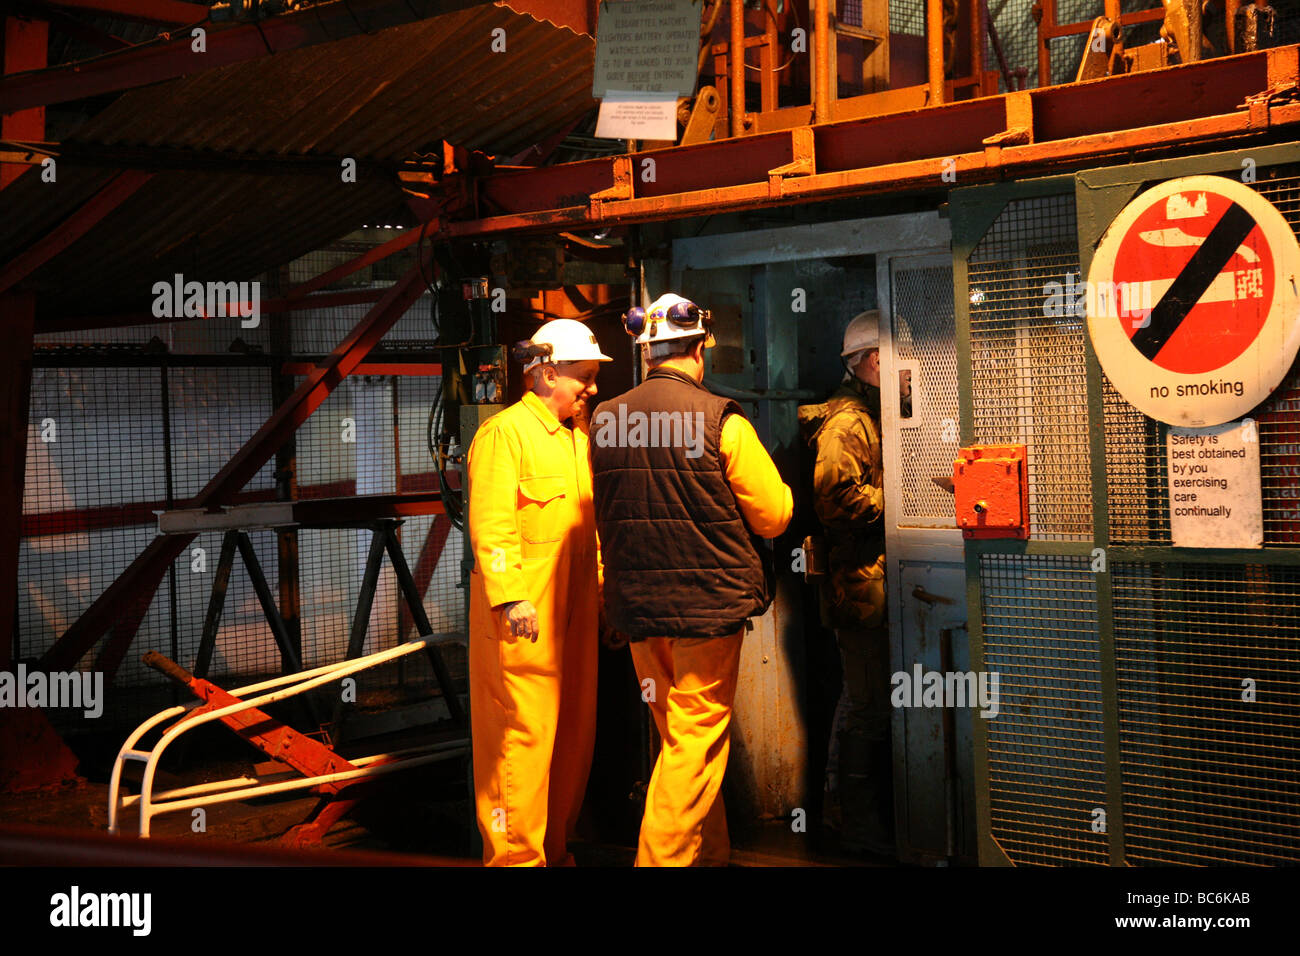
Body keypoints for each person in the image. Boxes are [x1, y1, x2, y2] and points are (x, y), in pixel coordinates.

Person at [590, 293, 793, 867]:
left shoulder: (605, 420)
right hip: (706, 611)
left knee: (681, 744)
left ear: (647, 353)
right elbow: (773, 515)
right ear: (700, 348)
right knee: (694, 746)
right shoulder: (719, 418)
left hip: (637, 612)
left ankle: (709, 858)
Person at [465, 317, 612, 866]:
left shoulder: (577, 441)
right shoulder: (505, 434)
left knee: (572, 739)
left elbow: (586, 533)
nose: (592, 388)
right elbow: (492, 523)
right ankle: (515, 860)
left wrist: (602, 597)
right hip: (523, 626)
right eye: (584, 376)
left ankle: (555, 851)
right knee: (521, 744)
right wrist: (510, 596)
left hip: (572, 625)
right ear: (547, 373)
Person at [798, 309, 893, 855]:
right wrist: (899, 505)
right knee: (867, 705)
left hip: (870, 579)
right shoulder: (850, 422)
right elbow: (834, 498)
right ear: (874, 360)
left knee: (869, 700)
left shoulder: (870, 415)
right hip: (859, 582)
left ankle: (859, 819)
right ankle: (854, 824)